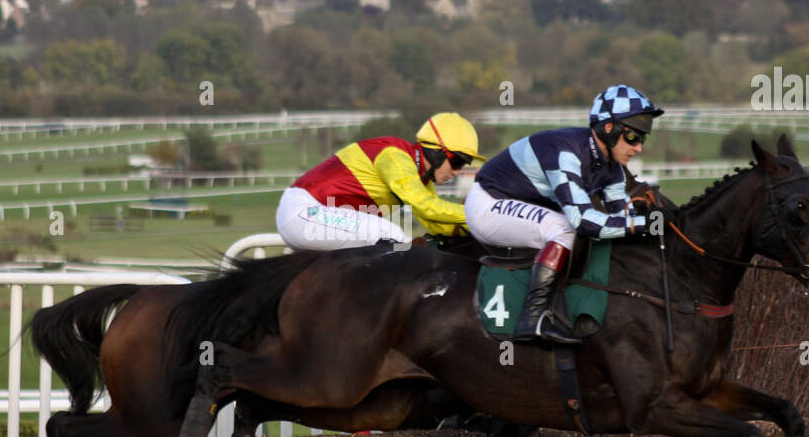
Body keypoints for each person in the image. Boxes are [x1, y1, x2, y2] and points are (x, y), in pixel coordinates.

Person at [464, 84, 665, 344]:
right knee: (565, 229)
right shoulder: (565, 150)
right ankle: (533, 318)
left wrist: (653, 221)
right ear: (609, 128)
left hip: (517, 205)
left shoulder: (612, 169)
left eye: (642, 139)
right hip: (487, 204)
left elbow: (623, 218)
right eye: (634, 137)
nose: (638, 147)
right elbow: (583, 221)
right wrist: (644, 225)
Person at [277, 112, 484, 250]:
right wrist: (481, 214)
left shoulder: (421, 179)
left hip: (319, 217)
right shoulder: (395, 156)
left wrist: (479, 228)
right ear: (437, 152)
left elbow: (437, 223)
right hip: (304, 212)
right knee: (391, 233)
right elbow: (428, 207)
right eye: (457, 162)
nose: (457, 172)